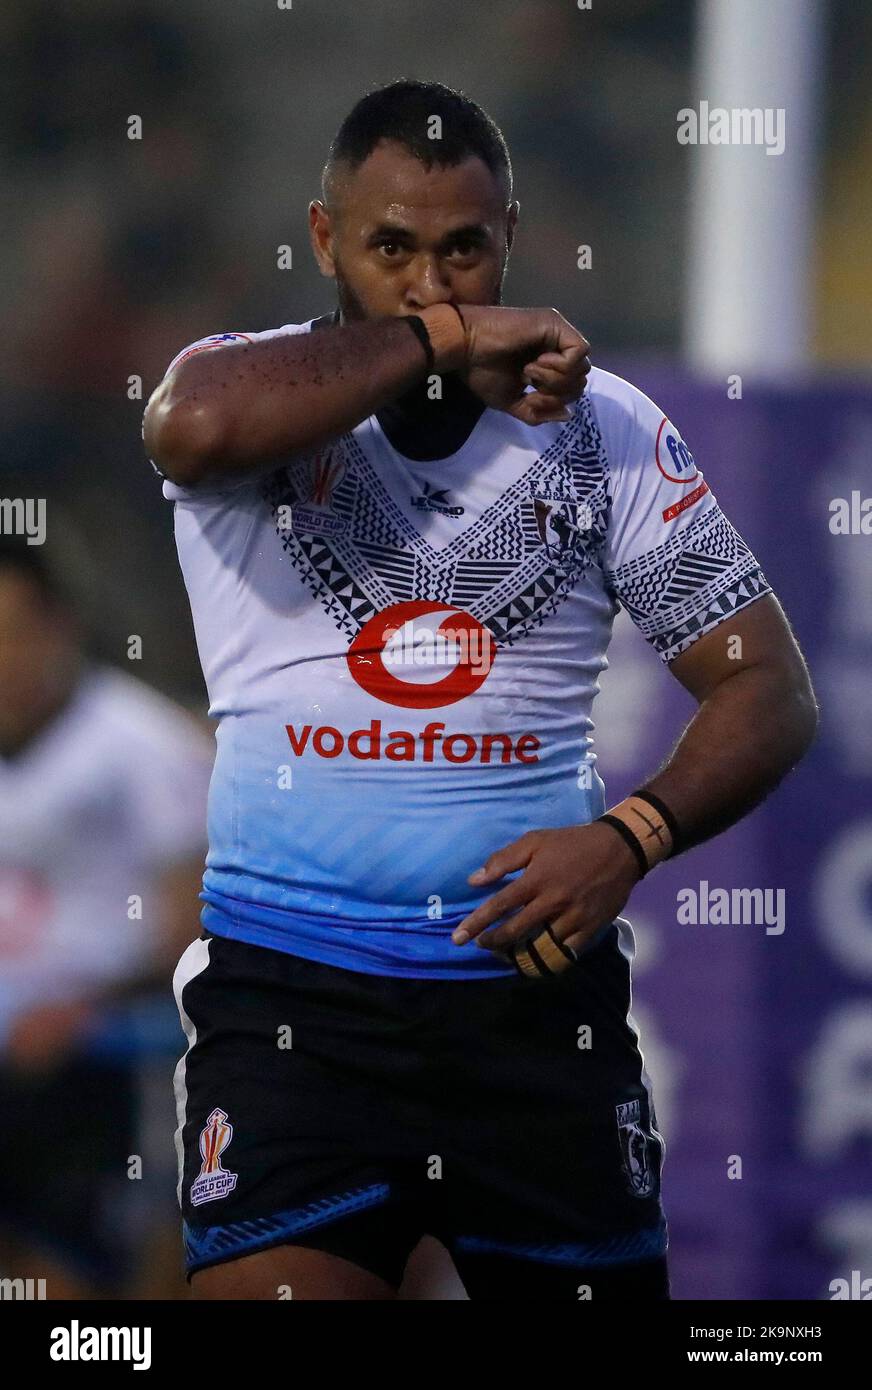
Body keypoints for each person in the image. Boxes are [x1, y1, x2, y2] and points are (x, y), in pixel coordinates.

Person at [143, 80, 818, 1301]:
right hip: (298, 1006)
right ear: (322, 239)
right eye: (390, 247)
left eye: (463, 250)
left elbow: (767, 689)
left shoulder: (602, 429)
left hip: (530, 1008)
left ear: (508, 237)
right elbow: (186, 429)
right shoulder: (241, 387)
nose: (430, 280)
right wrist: (452, 341)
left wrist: (631, 835)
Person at [0, 538, 211, 1297]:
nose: (5, 662)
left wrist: (84, 1009)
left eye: (17, 633)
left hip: (115, 1057)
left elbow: (192, 934)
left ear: (61, 628)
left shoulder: (144, 746)